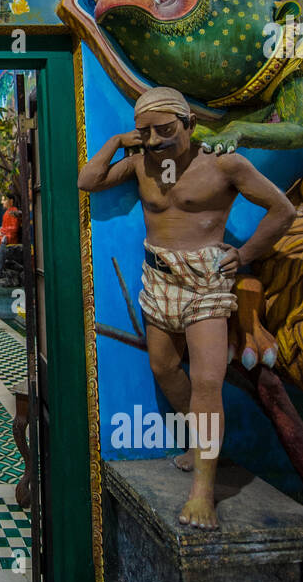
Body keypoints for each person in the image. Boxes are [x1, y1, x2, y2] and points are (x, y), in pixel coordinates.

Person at [78, 85, 294, 530]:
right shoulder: (139, 163)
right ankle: (200, 444)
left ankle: (203, 490)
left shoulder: (224, 163)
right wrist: (119, 142)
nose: (156, 141)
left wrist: (247, 253)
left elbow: (282, 208)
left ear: (190, 124)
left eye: (165, 130)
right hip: (158, 278)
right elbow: (87, 180)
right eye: (146, 132)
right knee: (163, 368)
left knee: (207, 382)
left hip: (208, 282)